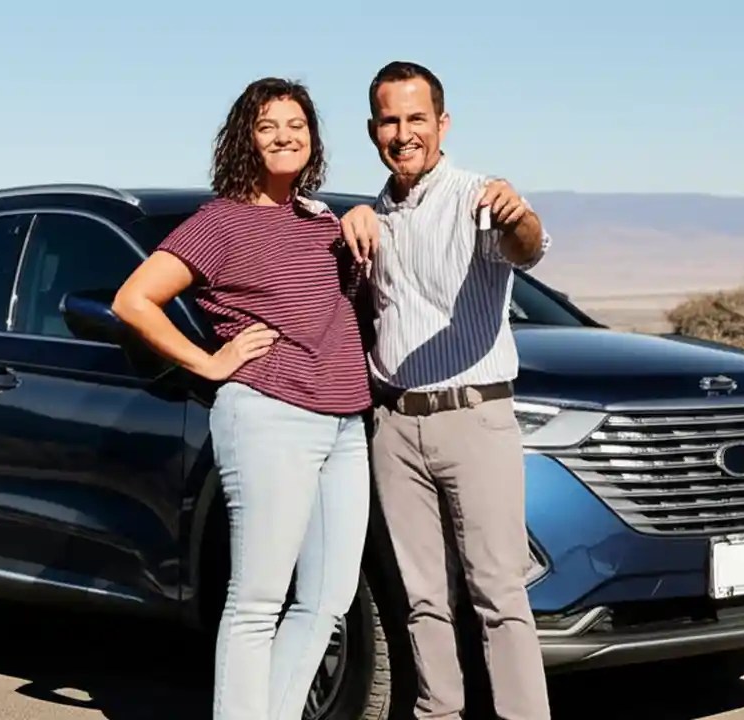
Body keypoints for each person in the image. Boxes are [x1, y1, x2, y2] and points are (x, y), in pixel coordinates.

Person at [111, 77, 372, 720]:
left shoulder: (320, 220)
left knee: (327, 601)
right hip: (270, 416)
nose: (285, 136)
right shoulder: (220, 222)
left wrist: (364, 218)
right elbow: (133, 300)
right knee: (258, 599)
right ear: (244, 140)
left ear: (312, 137)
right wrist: (209, 361)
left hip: (344, 422)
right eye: (267, 126)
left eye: (297, 124)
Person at [339, 61, 553, 719]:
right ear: (373, 128)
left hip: (473, 418)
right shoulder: (371, 217)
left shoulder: (477, 198)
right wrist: (349, 227)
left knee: (499, 594)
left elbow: (527, 247)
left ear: (442, 123)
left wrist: (520, 215)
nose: (404, 134)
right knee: (422, 598)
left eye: (416, 119)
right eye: (390, 120)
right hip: (396, 428)